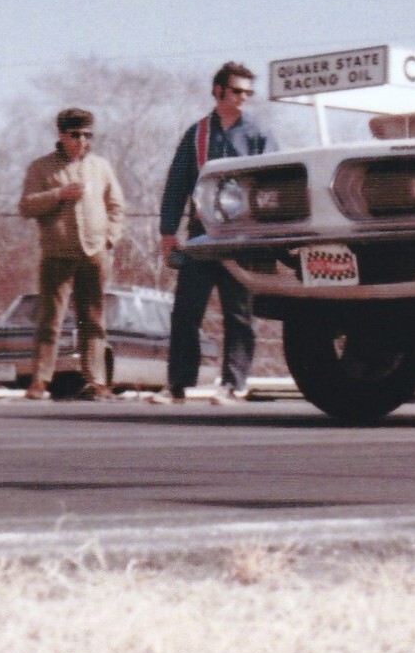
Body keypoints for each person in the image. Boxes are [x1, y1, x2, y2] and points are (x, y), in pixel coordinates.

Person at [152, 62, 278, 404]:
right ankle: (177, 385)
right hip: (201, 233)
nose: (243, 98)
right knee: (185, 310)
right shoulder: (198, 134)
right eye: (236, 91)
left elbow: (275, 183)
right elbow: (177, 184)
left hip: (241, 236)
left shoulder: (258, 135)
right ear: (218, 91)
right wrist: (168, 232)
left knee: (239, 312)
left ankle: (233, 383)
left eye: (248, 93)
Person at [18, 107, 125, 401]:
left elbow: (116, 206)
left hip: (93, 253)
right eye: (76, 134)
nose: (82, 141)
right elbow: (26, 206)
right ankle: (40, 380)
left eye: (88, 135)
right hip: (57, 254)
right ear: (62, 135)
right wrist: (58, 195)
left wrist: (109, 240)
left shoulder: (100, 167)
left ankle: (96, 381)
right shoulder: (42, 168)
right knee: (50, 319)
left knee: (93, 320)